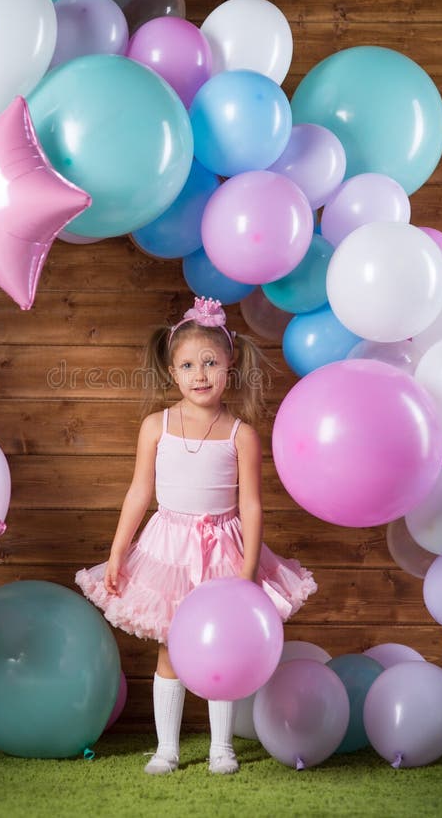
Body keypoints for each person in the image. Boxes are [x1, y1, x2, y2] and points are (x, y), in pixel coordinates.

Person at [75, 296, 316, 775]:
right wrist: (118, 551)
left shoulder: (241, 434)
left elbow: (251, 506)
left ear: (230, 367)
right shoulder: (156, 427)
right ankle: (167, 748)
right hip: (168, 550)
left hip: (225, 550)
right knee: (171, 646)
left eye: (210, 363)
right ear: (172, 372)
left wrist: (248, 571)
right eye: (187, 365)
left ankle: (221, 748)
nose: (199, 374)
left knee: (220, 645)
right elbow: (139, 492)